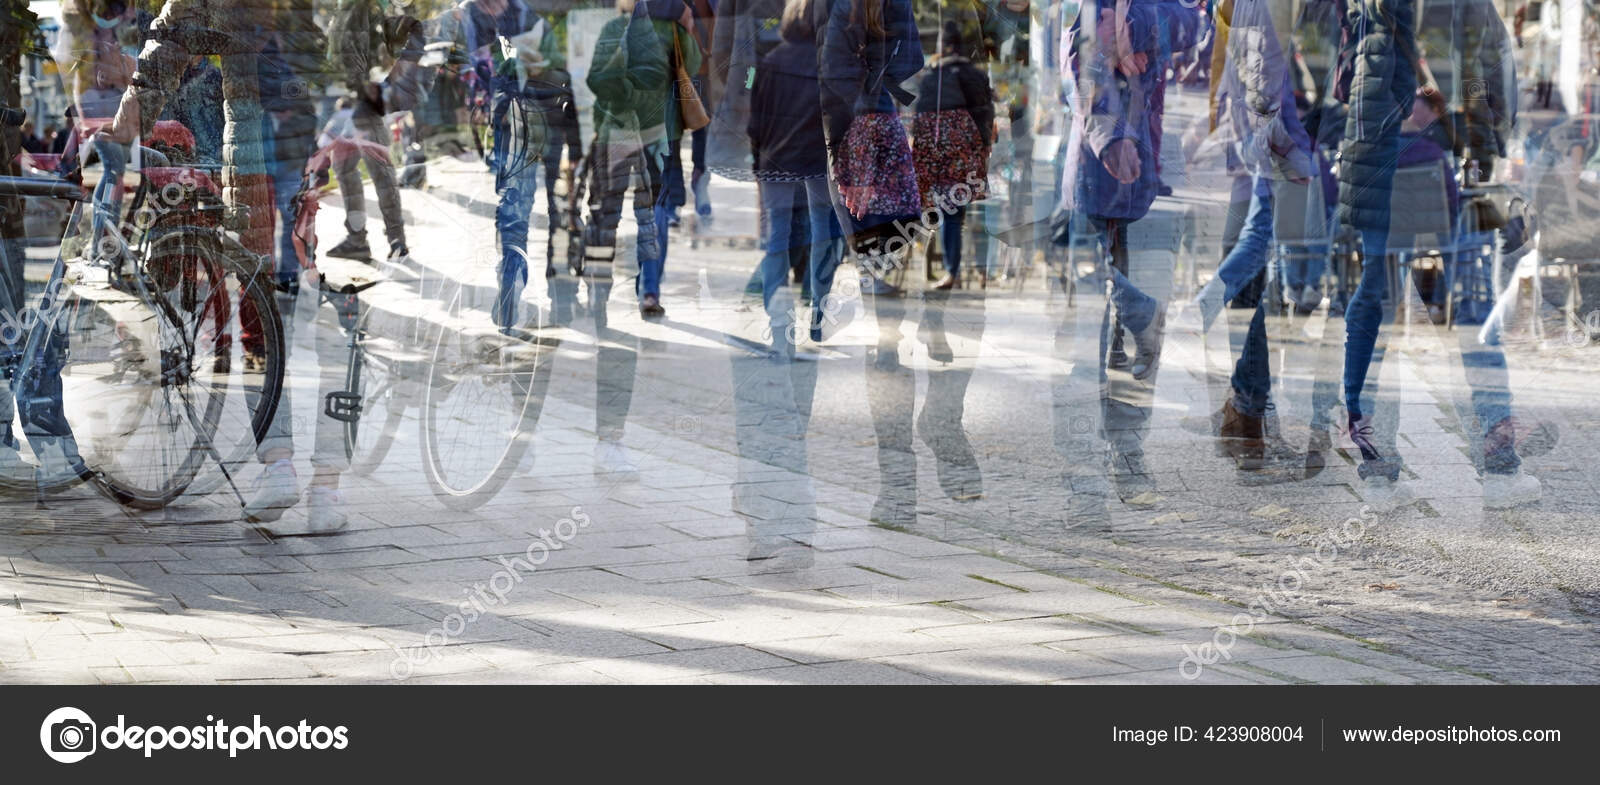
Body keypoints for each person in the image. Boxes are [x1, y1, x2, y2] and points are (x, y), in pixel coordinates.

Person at [586, 0, 699, 318]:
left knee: (608, 214)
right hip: (660, 136)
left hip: (616, 134)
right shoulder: (676, 31)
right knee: (655, 213)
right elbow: (692, 67)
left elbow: (595, 80)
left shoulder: (613, 29)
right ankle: (649, 290)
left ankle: (599, 290)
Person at [747, 0, 839, 347]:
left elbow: (754, 120)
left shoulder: (766, 63)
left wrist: (758, 162)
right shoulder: (827, 63)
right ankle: (817, 314)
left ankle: (778, 323)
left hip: (775, 163)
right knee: (822, 235)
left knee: (776, 242)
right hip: (817, 162)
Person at [323, 0, 426, 262]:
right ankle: (359, 239)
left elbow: (361, 53)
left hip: (362, 104)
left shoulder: (359, 9)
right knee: (347, 171)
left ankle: (395, 239)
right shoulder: (347, 11)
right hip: (350, 104)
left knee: (381, 173)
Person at [912, 21, 993, 291]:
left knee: (950, 213)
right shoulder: (975, 74)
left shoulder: (931, 75)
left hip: (937, 152)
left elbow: (920, 117)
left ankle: (953, 271)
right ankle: (975, 271)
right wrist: (983, 147)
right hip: (966, 150)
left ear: (942, 47)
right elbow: (984, 112)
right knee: (966, 213)